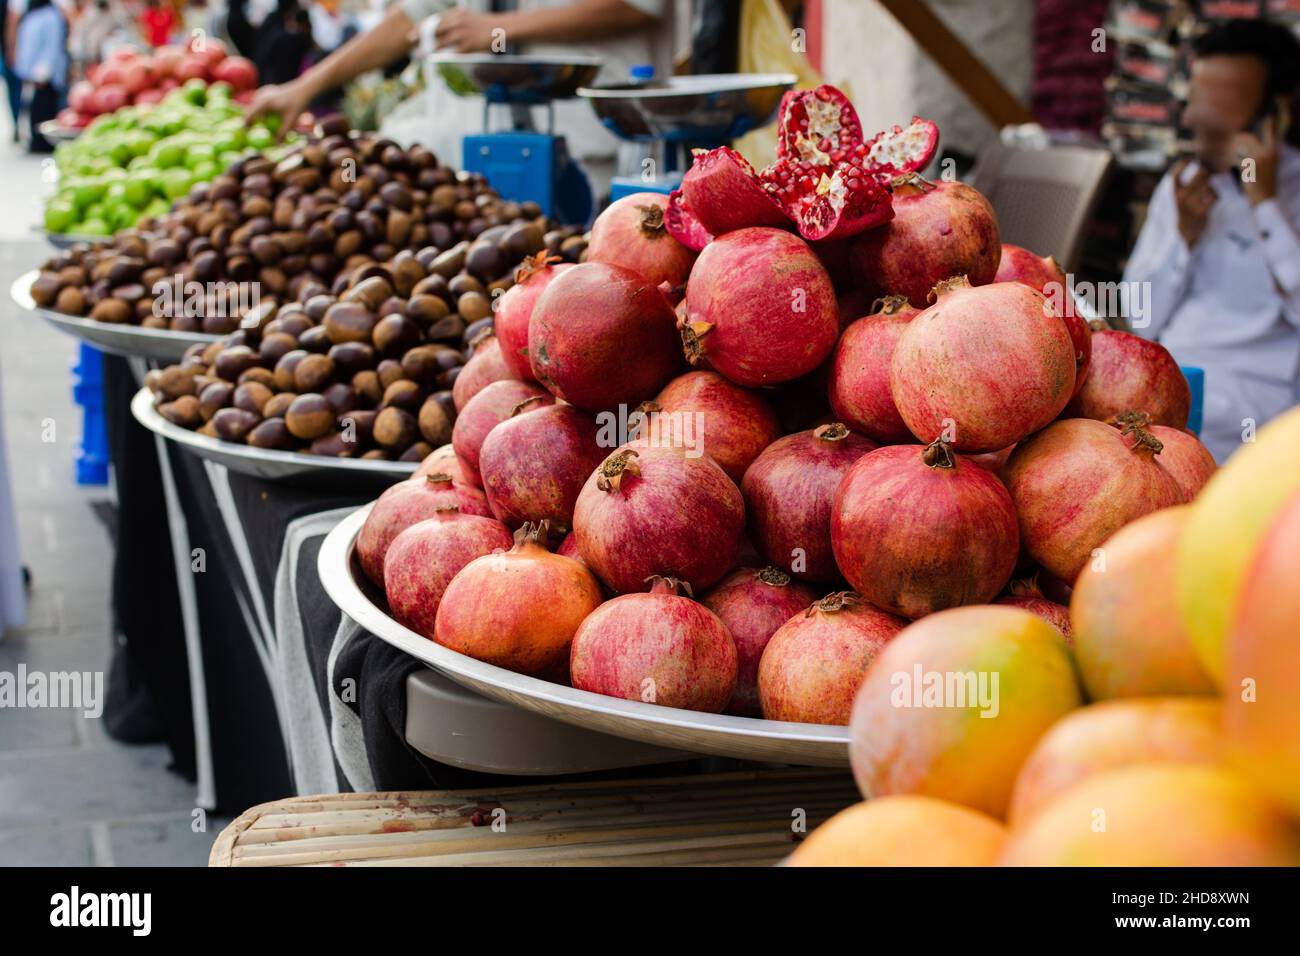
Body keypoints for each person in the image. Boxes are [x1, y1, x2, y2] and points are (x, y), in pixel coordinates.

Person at [1123, 19, 1300, 462]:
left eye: (1220, 125)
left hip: (1256, 398)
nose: (1192, 122)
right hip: (1167, 378)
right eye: (1195, 109)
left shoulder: (1291, 190)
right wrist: (1182, 236)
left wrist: (1266, 205)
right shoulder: (1185, 185)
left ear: (1274, 117)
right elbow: (1139, 317)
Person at [247, 0, 673, 138]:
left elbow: (639, 6)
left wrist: (501, 28)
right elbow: (411, 16)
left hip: (595, 136)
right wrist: (304, 87)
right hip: (486, 139)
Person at [14, 0, 68, 152]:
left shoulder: (51, 16)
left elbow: (51, 47)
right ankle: (37, 141)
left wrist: (43, 72)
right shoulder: (33, 15)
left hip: (45, 74)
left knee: (43, 108)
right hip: (35, 73)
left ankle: (42, 142)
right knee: (36, 107)